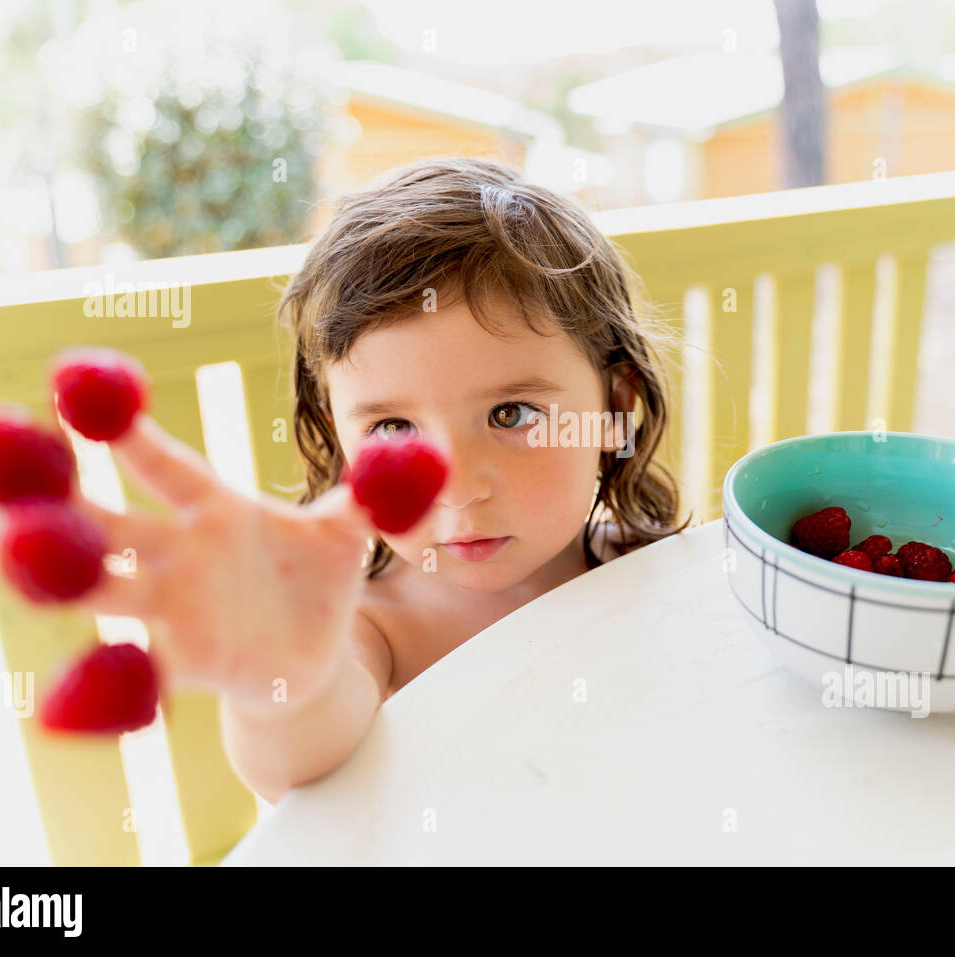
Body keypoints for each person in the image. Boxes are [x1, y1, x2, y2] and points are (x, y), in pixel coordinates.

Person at [70, 156, 692, 803]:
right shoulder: (369, 630)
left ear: (614, 407)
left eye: (512, 414)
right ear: (339, 442)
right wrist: (282, 680)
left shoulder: (647, 565)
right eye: (394, 429)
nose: (457, 489)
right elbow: (292, 765)